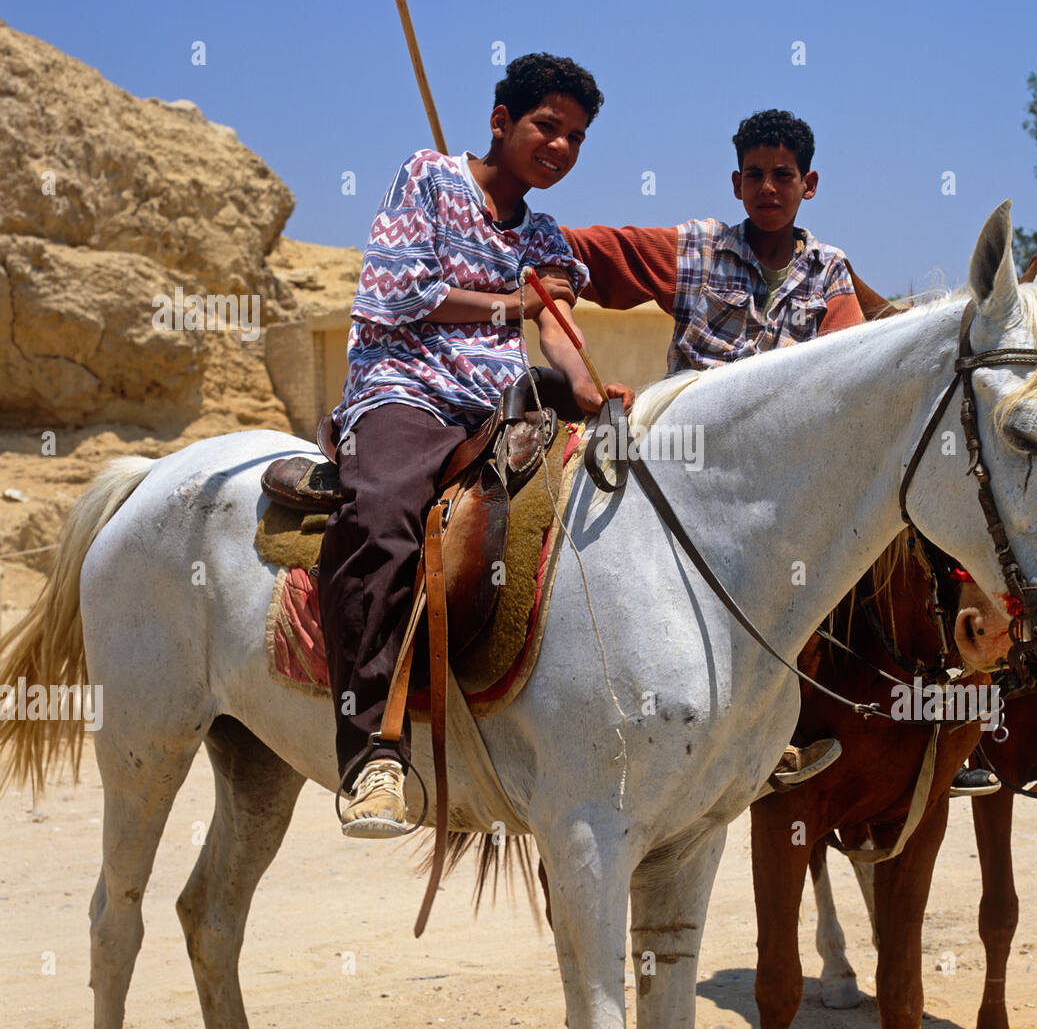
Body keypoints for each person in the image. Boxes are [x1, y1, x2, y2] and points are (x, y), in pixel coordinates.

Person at [318, 53, 632, 837]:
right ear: (501, 121)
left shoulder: (548, 234)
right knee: (385, 513)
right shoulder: (425, 177)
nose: (561, 146)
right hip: (408, 389)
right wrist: (510, 305)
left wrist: (594, 391)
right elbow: (394, 294)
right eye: (546, 127)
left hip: (501, 406)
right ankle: (372, 757)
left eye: (577, 138)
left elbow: (557, 327)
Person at [565, 108, 901, 791]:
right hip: (683, 471)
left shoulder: (829, 272)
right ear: (735, 181)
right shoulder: (696, 248)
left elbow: (855, 370)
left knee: (885, 553)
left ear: (809, 184)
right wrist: (521, 240)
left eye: (783, 175)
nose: (767, 187)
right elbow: (592, 254)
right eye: (754, 174)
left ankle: (854, 723)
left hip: (781, 489)